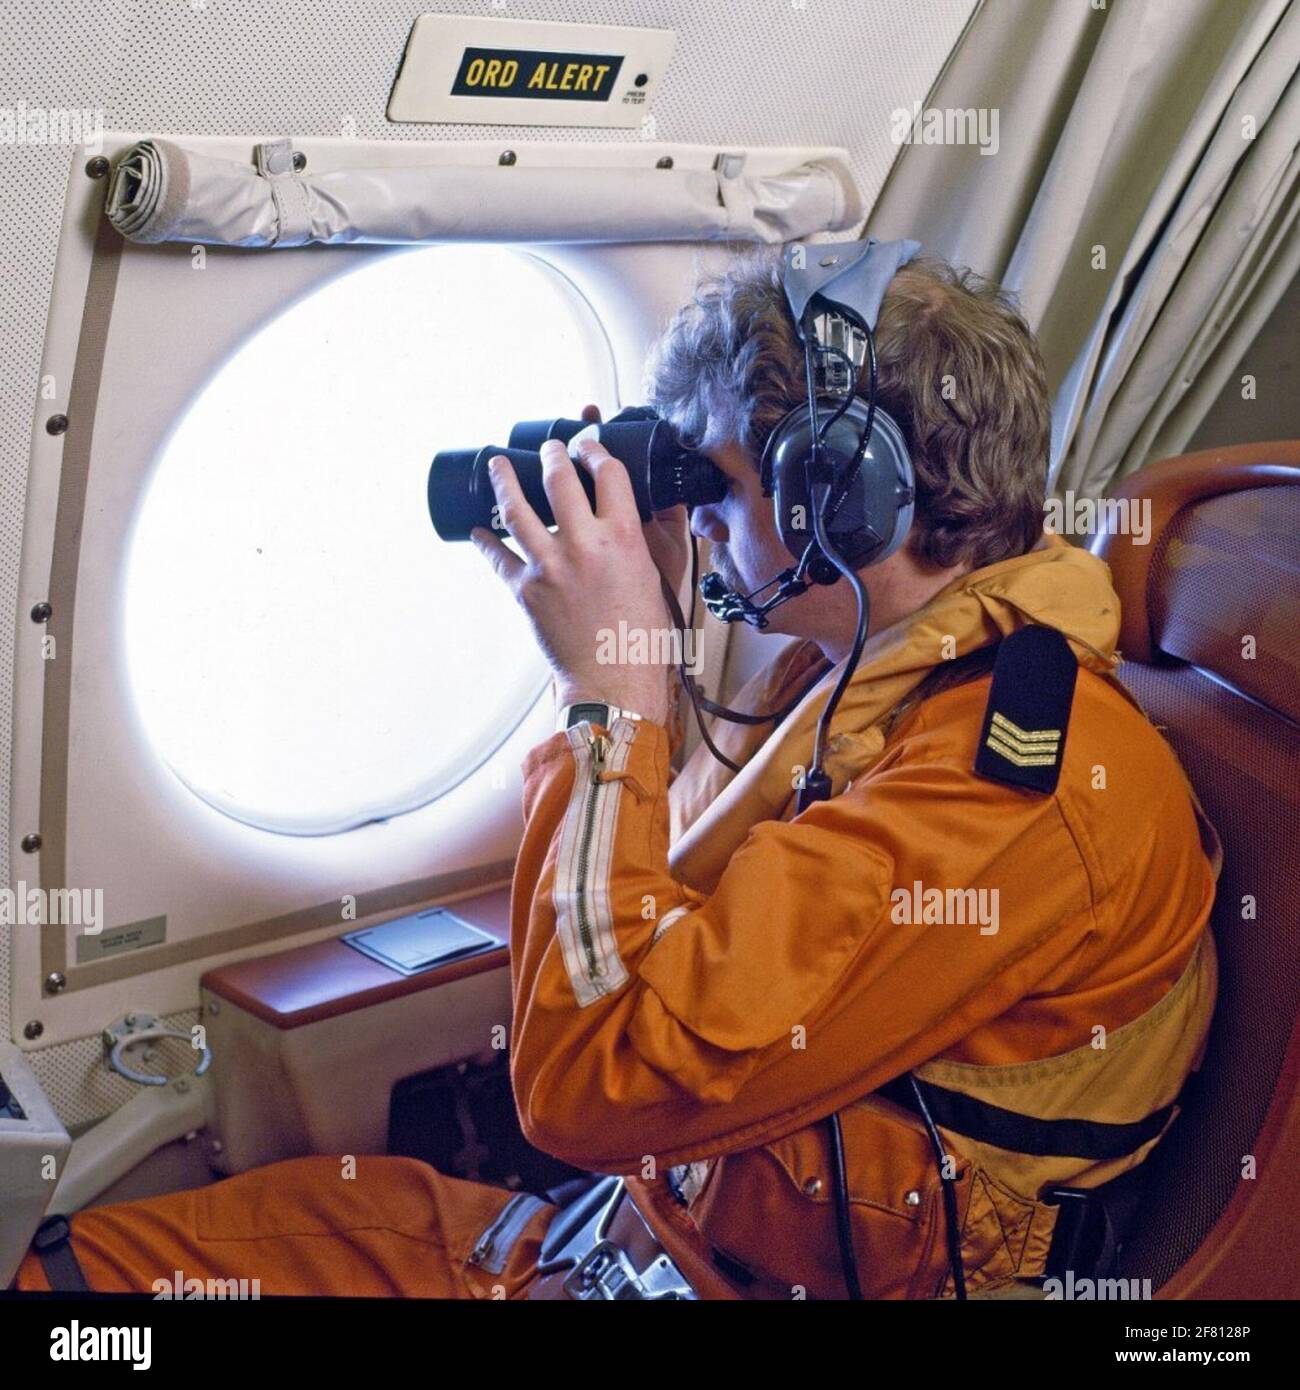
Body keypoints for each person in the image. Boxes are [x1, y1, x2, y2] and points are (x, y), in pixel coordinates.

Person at [16, 249, 1217, 1300]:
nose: (699, 525)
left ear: (843, 501)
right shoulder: (879, 672)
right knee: (93, 1286)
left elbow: (594, 1085)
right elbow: (666, 909)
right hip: (640, 1239)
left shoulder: (1014, 792)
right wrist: (633, 639)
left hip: (765, 1271)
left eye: (723, 487)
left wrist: (609, 692)